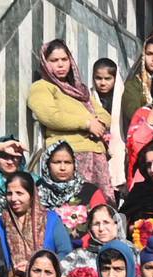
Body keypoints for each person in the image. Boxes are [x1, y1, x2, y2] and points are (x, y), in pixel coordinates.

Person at [26, 39, 112, 199]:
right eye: (54, 60)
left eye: (64, 60)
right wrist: (86, 123)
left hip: (96, 154)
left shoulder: (79, 90)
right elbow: (50, 116)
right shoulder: (42, 87)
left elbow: (105, 114)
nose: (60, 65)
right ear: (45, 63)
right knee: (75, 207)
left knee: (100, 207)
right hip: (69, 155)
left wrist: (97, 123)